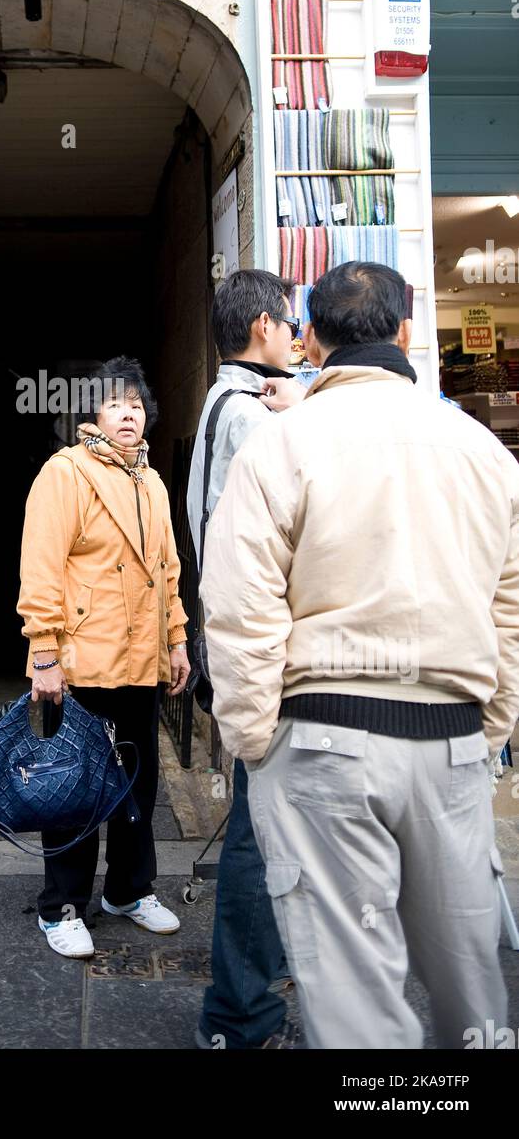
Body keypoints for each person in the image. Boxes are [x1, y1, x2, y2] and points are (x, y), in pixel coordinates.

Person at [201, 261, 519, 1049]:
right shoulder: (481, 451)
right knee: (471, 985)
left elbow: (239, 605)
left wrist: (252, 742)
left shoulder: (281, 446)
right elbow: (509, 605)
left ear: (310, 336)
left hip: (321, 740)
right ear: (406, 332)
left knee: (353, 996)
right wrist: (491, 727)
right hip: (450, 741)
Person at [17, 356, 191, 958]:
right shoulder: (65, 473)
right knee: (74, 787)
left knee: (138, 785)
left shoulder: (153, 482)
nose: (128, 413)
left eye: (137, 405)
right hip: (82, 660)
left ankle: (129, 890)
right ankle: (60, 906)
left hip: (140, 660)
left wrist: (176, 639)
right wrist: (44, 652)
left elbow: (167, 571)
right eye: (116, 403)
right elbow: (41, 567)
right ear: (93, 413)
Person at [186, 270, 306, 1051]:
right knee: (260, 837)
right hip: (269, 651)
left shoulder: (220, 400)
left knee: (262, 828)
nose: (298, 333)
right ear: (263, 325)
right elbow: (273, 548)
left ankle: (247, 1000)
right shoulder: (256, 419)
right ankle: (239, 1014)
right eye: (291, 321)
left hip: (239, 646)